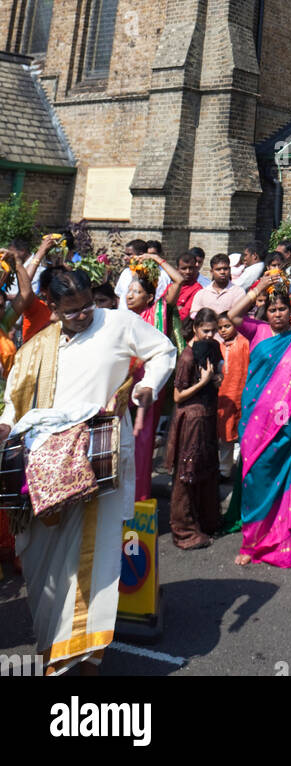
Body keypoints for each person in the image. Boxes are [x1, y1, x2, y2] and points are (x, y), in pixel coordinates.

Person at [0, 267, 175, 674]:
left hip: (97, 458)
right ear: (52, 306)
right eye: (73, 311)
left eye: (87, 307)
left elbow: (163, 350)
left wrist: (149, 384)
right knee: (42, 563)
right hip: (42, 470)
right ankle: (55, 646)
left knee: (92, 563)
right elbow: (14, 400)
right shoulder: (37, 346)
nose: (84, 316)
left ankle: (87, 657)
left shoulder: (117, 323)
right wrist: (7, 425)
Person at [226, 277, 291, 567]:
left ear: (290, 310)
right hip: (255, 422)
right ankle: (251, 543)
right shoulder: (257, 331)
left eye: (282, 309)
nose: (277, 315)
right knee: (255, 479)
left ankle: (284, 542)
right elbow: (233, 316)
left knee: (286, 478)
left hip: (290, 425)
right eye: (272, 310)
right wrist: (257, 291)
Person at [124, 254, 183, 500]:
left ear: (149, 298)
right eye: (128, 291)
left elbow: (178, 280)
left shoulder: (158, 309)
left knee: (142, 441)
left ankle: (139, 497)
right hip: (123, 386)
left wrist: (154, 258)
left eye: (135, 292)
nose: (129, 296)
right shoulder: (121, 319)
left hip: (149, 384)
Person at [166, 309, 222, 550]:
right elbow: (178, 395)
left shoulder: (212, 347)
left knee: (207, 467)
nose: (210, 335)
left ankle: (206, 521)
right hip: (191, 420)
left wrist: (216, 379)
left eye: (214, 330)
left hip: (207, 416)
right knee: (186, 473)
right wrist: (203, 382)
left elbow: (216, 375)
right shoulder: (187, 357)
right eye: (205, 330)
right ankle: (184, 532)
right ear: (196, 328)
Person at [216, 312, 249, 478]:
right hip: (223, 397)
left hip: (242, 395)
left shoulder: (244, 343)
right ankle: (224, 471)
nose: (223, 330)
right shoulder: (218, 345)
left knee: (243, 435)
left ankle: (244, 470)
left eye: (227, 326)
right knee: (225, 436)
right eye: (220, 327)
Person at [189, 254, 247, 319]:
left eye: (225, 269)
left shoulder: (238, 292)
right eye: (218, 269)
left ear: (230, 270)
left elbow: (238, 316)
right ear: (211, 272)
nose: (222, 272)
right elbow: (194, 314)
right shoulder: (202, 293)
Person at [175, 252, 204, 320]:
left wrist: (172, 308)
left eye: (191, 268)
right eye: (184, 268)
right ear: (177, 269)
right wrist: (177, 308)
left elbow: (184, 315)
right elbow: (161, 308)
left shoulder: (198, 290)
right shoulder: (171, 286)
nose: (187, 271)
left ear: (195, 268)